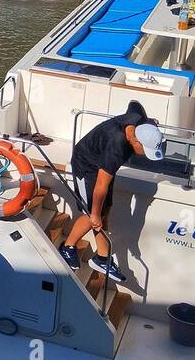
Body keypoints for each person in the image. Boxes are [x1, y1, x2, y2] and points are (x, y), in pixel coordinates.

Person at [60, 100, 164, 283]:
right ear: (136, 140)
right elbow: (101, 185)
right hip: (86, 165)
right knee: (91, 213)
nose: (143, 153)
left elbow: (135, 104)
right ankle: (68, 247)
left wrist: (149, 122)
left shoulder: (138, 120)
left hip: (101, 165)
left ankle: (102, 258)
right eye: (144, 149)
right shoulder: (116, 148)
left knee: (104, 210)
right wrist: (95, 214)